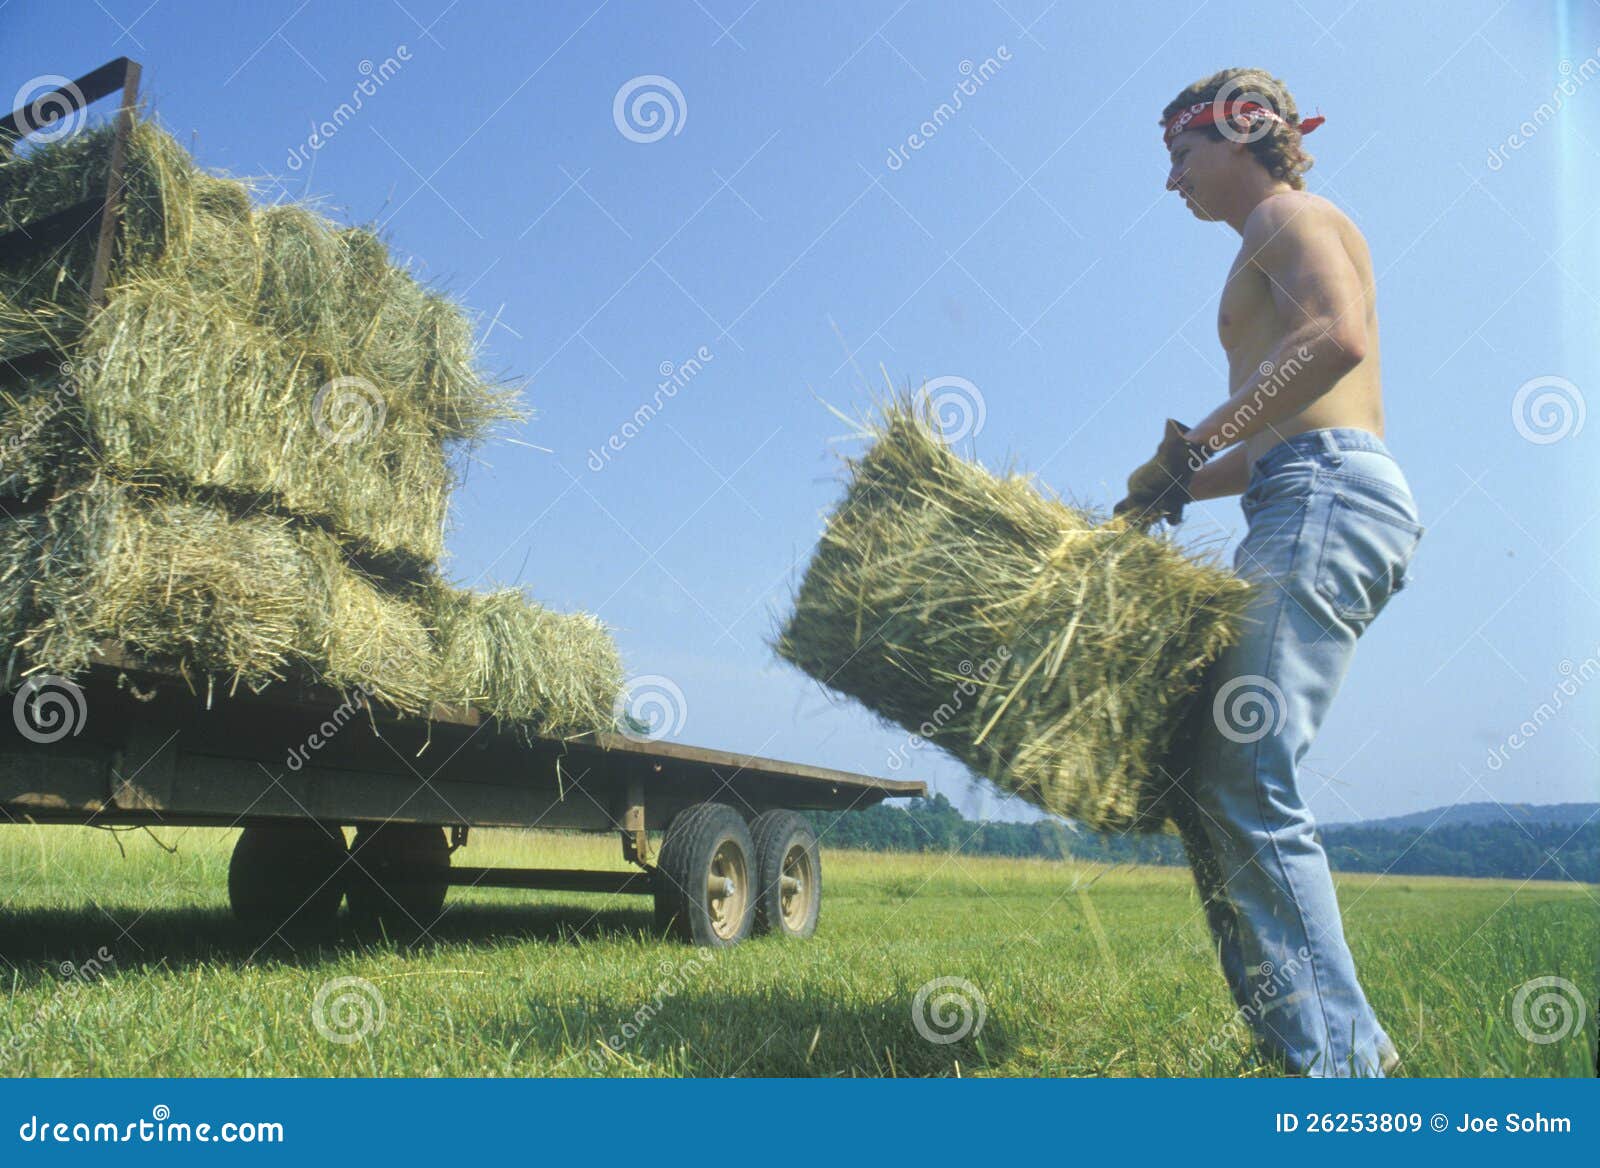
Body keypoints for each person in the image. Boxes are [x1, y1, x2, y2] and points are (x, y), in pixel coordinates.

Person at [1114, 68, 1423, 1077]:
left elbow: (1334, 341)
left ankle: (1336, 1082)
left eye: (1180, 154)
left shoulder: (1293, 217)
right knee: (1212, 778)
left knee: (1243, 768)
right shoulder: (1263, 241)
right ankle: (1330, 1050)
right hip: (1297, 488)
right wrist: (1172, 492)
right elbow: (1284, 426)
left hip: (1324, 497)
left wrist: (1186, 449)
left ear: (1242, 129)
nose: (1172, 182)